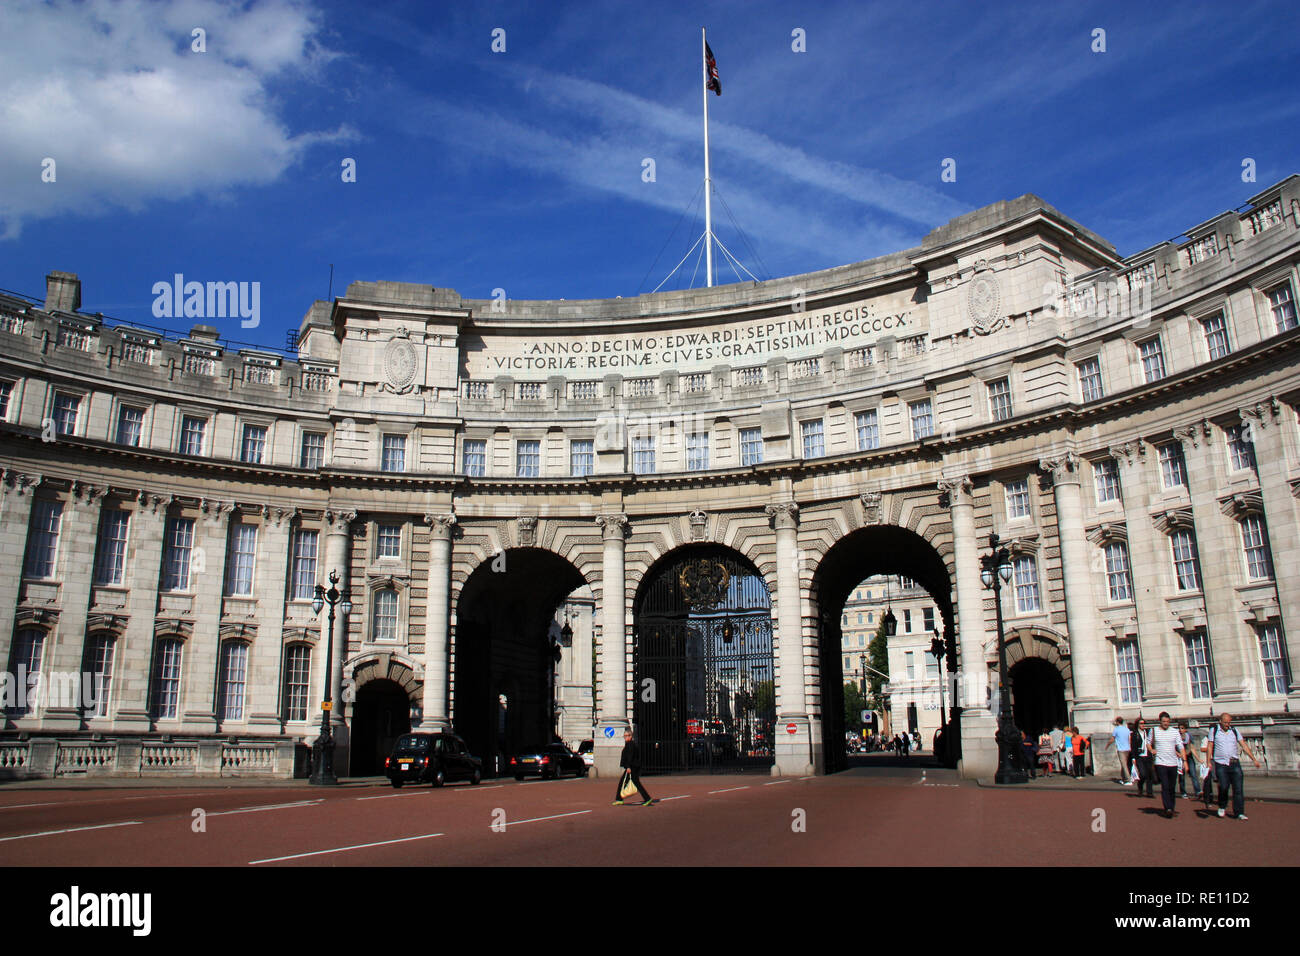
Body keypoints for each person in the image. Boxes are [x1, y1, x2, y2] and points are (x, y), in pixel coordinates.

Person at [1206, 712, 1261, 820]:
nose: (1227, 725)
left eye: (1229, 722)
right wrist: (1208, 761)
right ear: (1220, 721)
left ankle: (1239, 812)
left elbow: (1243, 745)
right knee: (1224, 786)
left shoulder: (1234, 731)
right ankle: (1222, 805)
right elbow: (1210, 746)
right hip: (1221, 764)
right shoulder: (1214, 731)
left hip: (1234, 763)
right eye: (1225, 722)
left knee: (1238, 789)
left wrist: (1254, 759)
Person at [1151, 712, 1186, 818]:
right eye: (1163, 721)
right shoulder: (1154, 731)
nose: (1166, 723)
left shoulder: (1175, 732)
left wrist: (1184, 760)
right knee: (1165, 785)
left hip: (1173, 763)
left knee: (1172, 787)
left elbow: (1180, 746)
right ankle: (1168, 808)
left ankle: (1172, 807)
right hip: (1160, 762)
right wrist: (1151, 749)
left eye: (1167, 721)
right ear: (1160, 721)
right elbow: (1148, 742)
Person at [612, 727, 653, 806]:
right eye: (624, 736)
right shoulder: (629, 744)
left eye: (627, 735)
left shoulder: (630, 744)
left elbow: (630, 756)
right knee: (628, 782)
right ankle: (619, 799)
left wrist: (628, 766)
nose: (625, 737)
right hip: (632, 766)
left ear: (631, 736)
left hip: (632, 767)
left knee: (635, 783)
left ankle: (647, 798)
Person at [1131, 719, 1154, 797]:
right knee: (1143, 774)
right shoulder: (1135, 734)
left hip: (1148, 755)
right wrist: (1133, 758)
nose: (1143, 725)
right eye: (1141, 723)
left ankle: (1149, 792)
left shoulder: (1148, 732)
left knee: (1150, 774)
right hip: (1139, 756)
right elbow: (1133, 747)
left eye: (1144, 723)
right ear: (1137, 724)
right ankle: (1140, 788)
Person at [1177, 721, 1198, 800]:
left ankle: (1197, 791)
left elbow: (1192, 747)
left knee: (1193, 774)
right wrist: (1177, 754)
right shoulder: (1177, 736)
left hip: (1189, 757)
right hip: (1180, 758)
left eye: (1182, 728)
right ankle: (1183, 792)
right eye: (1179, 728)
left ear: (1185, 729)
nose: (1180, 730)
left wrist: (1198, 758)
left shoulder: (1189, 736)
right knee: (1181, 777)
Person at [1112, 716, 1132, 785]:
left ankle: (1128, 779)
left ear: (1117, 722)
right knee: (1124, 764)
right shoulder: (1126, 729)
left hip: (1121, 749)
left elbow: (1112, 738)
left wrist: (1107, 745)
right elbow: (1129, 738)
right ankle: (1123, 778)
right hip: (1127, 748)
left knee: (1124, 765)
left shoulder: (1116, 729)